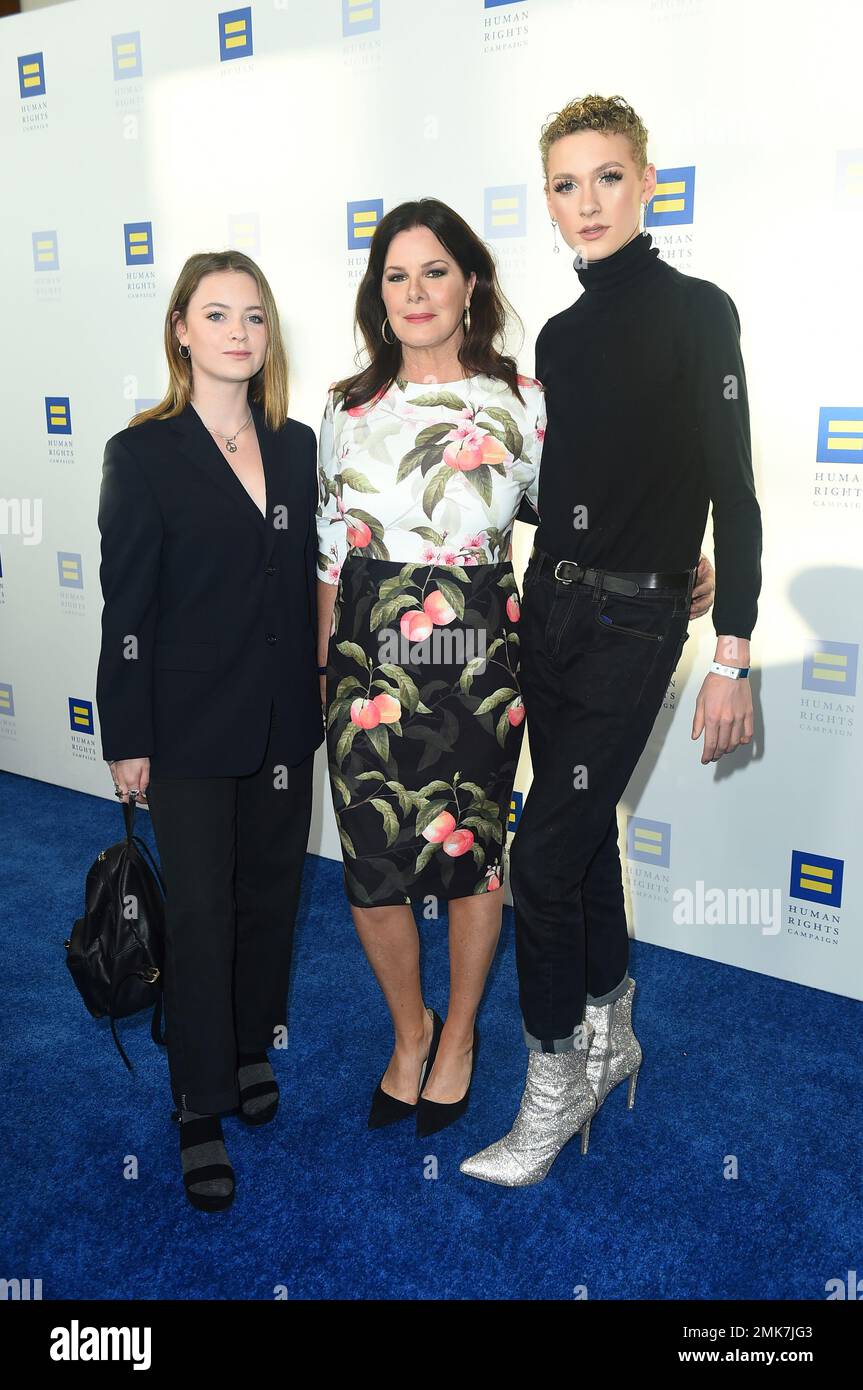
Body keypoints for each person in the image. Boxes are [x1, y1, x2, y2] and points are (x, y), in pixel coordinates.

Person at [461, 94, 762, 1186]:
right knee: (577, 837)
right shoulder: (558, 335)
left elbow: (731, 485)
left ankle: (551, 1087)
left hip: (637, 621)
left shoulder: (698, 312)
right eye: (562, 184)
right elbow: (575, 491)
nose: (583, 202)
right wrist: (475, 481)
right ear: (546, 199)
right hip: (549, 606)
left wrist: (730, 648)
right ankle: (611, 1024)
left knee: (536, 857)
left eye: (603, 177)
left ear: (645, 183)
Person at [96, 250, 323, 1211]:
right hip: (186, 723)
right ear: (181, 332)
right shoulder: (141, 453)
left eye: (255, 316)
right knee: (198, 911)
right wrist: (126, 733)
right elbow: (128, 607)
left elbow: (309, 575)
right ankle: (196, 1102)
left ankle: (242, 1044)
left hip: (282, 720)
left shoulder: (298, 443)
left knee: (271, 894)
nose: (239, 331)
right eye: (217, 314)